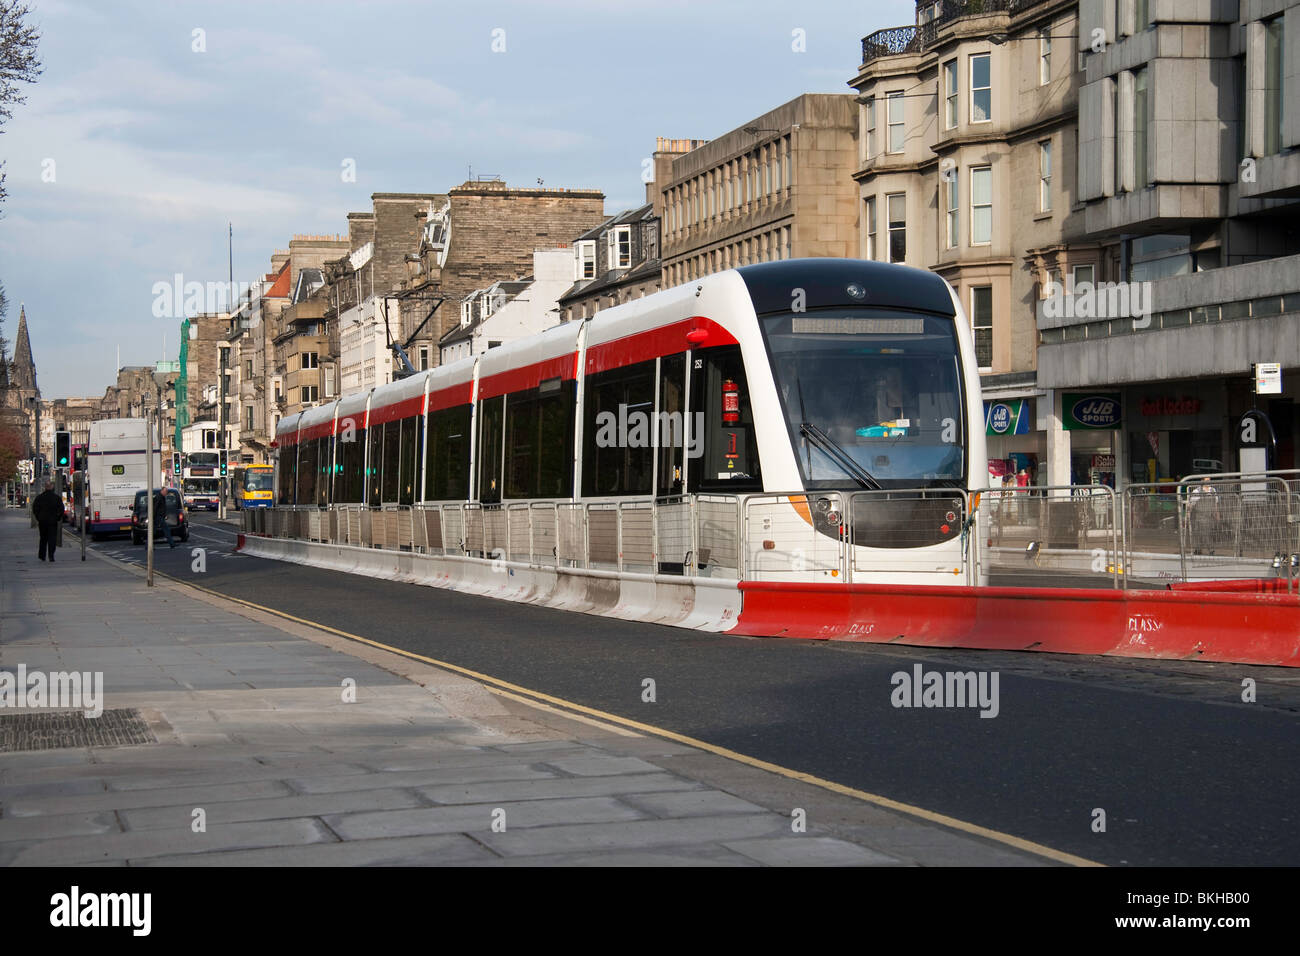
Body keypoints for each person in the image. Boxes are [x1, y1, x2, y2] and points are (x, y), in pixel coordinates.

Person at [32, 480, 65, 562]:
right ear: (51, 487)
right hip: (52, 522)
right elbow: (61, 509)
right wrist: (58, 518)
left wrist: (38, 517)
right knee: (52, 539)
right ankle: (51, 556)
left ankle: (42, 556)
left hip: (42, 521)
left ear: (45, 487)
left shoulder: (39, 498)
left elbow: (35, 508)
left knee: (43, 539)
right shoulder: (56, 498)